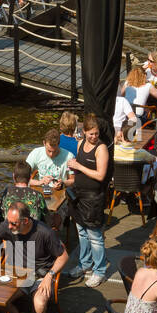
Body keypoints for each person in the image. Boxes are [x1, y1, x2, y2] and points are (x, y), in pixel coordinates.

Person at [0, 201, 67, 313]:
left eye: (14, 223)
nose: (9, 227)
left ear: (26, 221)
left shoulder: (45, 232)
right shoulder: (8, 225)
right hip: (16, 275)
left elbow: (64, 256)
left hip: (39, 277)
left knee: (39, 303)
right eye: (8, 222)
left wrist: (50, 276)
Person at [66, 114, 110, 286]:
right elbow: (77, 170)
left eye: (96, 133)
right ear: (83, 132)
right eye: (91, 133)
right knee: (82, 233)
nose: (94, 136)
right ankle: (84, 264)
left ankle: (99, 271)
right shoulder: (80, 143)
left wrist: (78, 166)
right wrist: (71, 168)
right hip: (79, 195)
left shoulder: (101, 149)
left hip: (93, 198)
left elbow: (100, 175)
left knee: (95, 236)